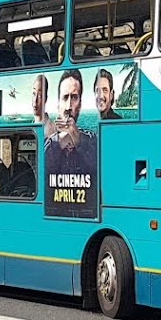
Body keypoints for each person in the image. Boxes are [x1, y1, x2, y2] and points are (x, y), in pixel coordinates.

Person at [43, 68, 98, 218]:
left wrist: (78, 140)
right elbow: (39, 171)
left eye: (74, 97)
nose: (68, 106)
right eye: (65, 97)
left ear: (80, 103)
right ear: (58, 104)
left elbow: (100, 170)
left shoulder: (92, 140)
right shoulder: (45, 142)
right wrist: (59, 140)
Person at [32, 74, 55, 140]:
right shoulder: (29, 129)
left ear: (46, 99)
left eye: (40, 95)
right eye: (33, 94)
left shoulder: (53, 131)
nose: (35, 100)